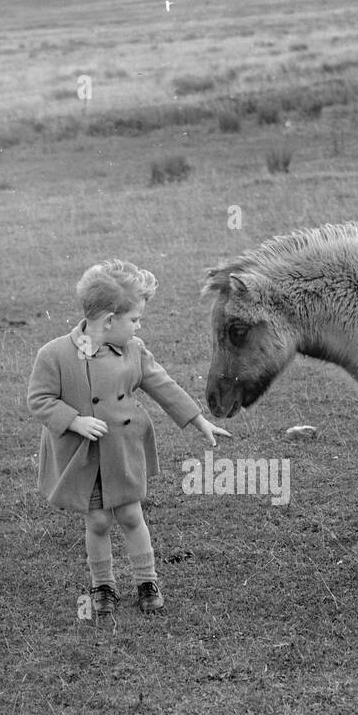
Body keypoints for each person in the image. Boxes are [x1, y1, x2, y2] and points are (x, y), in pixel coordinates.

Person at [28, 259, 230, 613]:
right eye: (134, 319)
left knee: (131, 516)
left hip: (121, 450)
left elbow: (162, 385)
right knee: (99, 520)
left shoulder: (133, 350)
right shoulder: (55, 355)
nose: (139, 326)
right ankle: (103, 586)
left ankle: (146, 581)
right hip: (83, 458)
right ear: (108, 320)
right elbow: (39, 400)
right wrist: (74, 421)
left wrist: (198, 420)